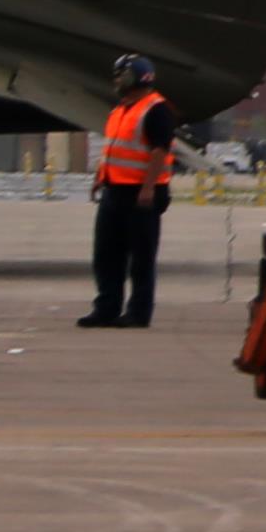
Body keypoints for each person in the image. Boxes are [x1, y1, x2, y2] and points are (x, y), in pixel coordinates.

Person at [80, 51, 175, 330]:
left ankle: (138, 312)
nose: (116, 80)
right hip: (114, 192)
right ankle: (106, 308)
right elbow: (112, 150)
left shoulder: (156, 109)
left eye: (121, 74)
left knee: (141, 258)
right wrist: (100, 177)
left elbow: (160, 151)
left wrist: (147, 189)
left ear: (137, 77)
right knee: (106, 255)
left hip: (141, 195)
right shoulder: (120, 110)